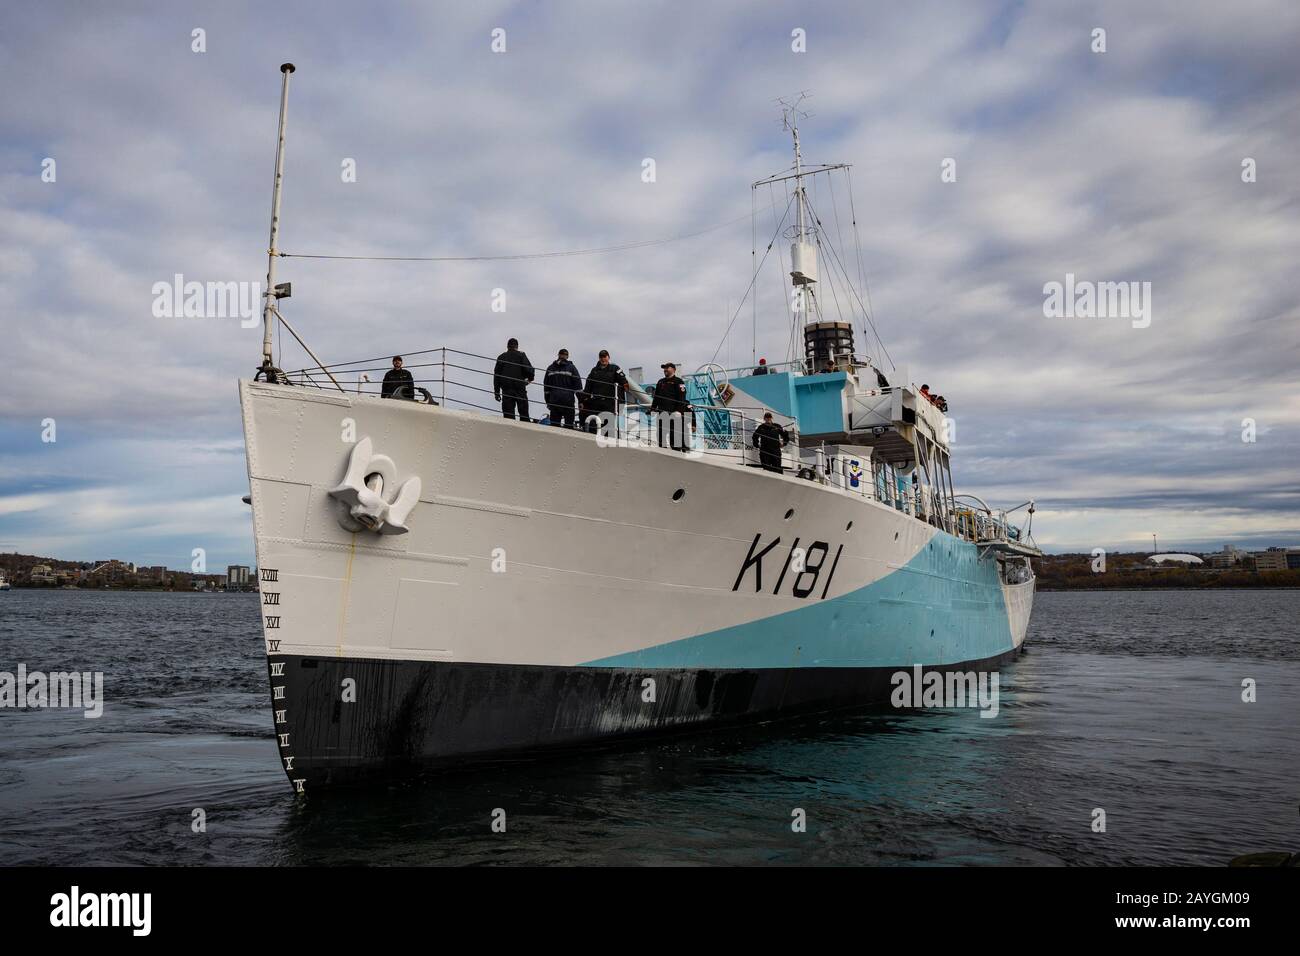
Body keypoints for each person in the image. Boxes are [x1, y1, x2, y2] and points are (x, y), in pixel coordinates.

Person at [583, 349, 630, 435]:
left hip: (609, 403)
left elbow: (623, 381)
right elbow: (588, 385)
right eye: (601, 357)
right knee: (593, 426)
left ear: (608, 357)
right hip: (596, 402)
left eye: (604, 356)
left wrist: (625, 387)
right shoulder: (594, 371)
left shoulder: (615, 368)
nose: (603, 359)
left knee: (608, 428)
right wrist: (585, 399)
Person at [650, 362, 690, 451]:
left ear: (673, 369)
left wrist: (679, 411)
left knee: (674, 434)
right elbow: (656, 397)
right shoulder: (660, 382)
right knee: (660, 433)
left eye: (667, 368)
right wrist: (652, 409)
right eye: (664, 368)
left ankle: (678, 452)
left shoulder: (679, 381)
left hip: (674, 412)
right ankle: (662, 452)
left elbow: (682, 397)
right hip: (662, 412)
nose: (665, 370)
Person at [493, 338, 534, 421]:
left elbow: (496, 376)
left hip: (506, 389)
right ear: (517, 346)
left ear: (507, 346)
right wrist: (530, 379)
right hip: (520, 387)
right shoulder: (521, 355)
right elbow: (529, 369)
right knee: (524, 414)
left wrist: (497, 392)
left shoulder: (501, 357)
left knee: (508, 416)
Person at [543, 348, 582, 429]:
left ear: (558, 355)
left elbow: (546, 388)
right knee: (569, 426)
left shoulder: (550, 368)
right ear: (567, 357)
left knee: (554, 426)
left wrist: (548, 401)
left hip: (554, 400)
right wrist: (580, 401)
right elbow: (578, 386)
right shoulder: (572, 368)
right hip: (568, 401)